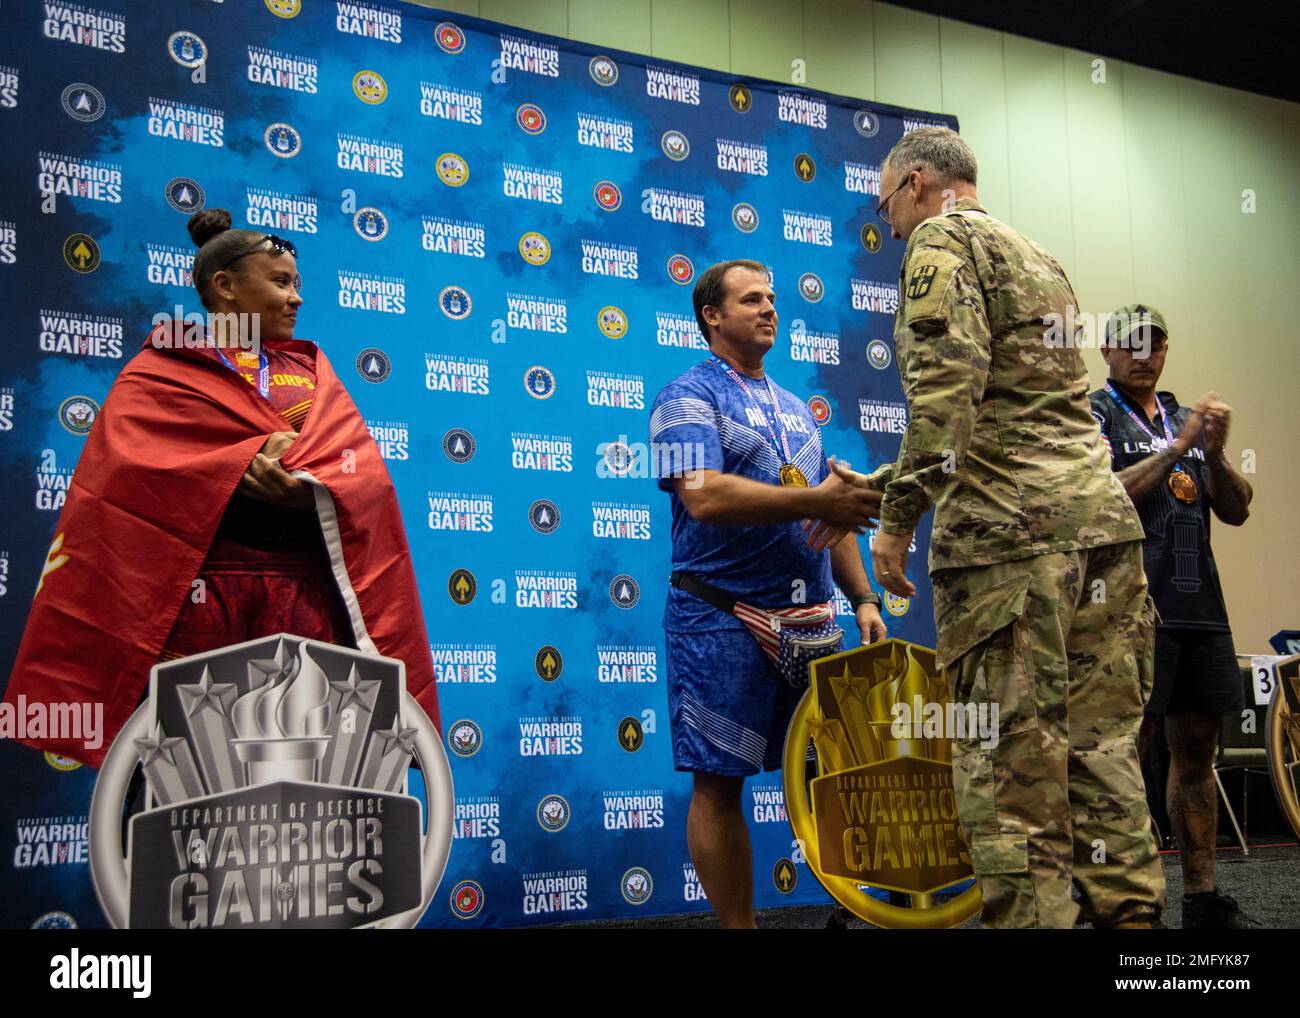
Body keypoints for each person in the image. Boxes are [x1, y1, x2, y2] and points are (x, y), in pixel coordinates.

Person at [830, 128, 1165, 928]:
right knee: (1102, 757)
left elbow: (947, 398)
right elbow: (1018, 415)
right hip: (1101, 539)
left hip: (1010, 554)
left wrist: (895, 524)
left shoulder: (942, 241)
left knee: (1011, 772)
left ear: (916, 184)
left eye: (887, 211)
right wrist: (880, 487)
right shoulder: (1037, 254)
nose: (893, 229)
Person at [5, 209, 440, 765]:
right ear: (226, 287)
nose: (297, 298)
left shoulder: (311, 371)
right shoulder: (163, 368)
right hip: (200, 600)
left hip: (306, 599)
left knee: (309, 768)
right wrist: (235, 463)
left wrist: (313, 483)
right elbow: (123, 476)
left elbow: (363, 473)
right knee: (187, 767)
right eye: (281, 282)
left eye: (297, 285)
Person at [648, 259, 885, 929]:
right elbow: (702, 495)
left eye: (773, 298)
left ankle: (850, 908)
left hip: (812, 618)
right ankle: (738, 930)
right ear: (712, 317)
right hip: (720, 618)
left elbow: (828, 517)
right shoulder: (685, 396)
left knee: (836, 773)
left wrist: (864, 596)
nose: (769, 308)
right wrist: (816, 496)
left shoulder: (794, 408)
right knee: (719, 785)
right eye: (751, 299)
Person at [1090, 304, 1255, 928]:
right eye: (1129, 344)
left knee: (1197, 749)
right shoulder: (1092, 414)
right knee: (1127, 751)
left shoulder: (1189, 419)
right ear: (1106, 351)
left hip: (1200, 613)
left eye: (1154, 344)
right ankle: (1129, 900)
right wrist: (1177, 449)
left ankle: (1204, 898)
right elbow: (1104, 497)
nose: (1143, 355)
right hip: (1128, 613)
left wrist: (1211, 453)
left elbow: (1237, 510)